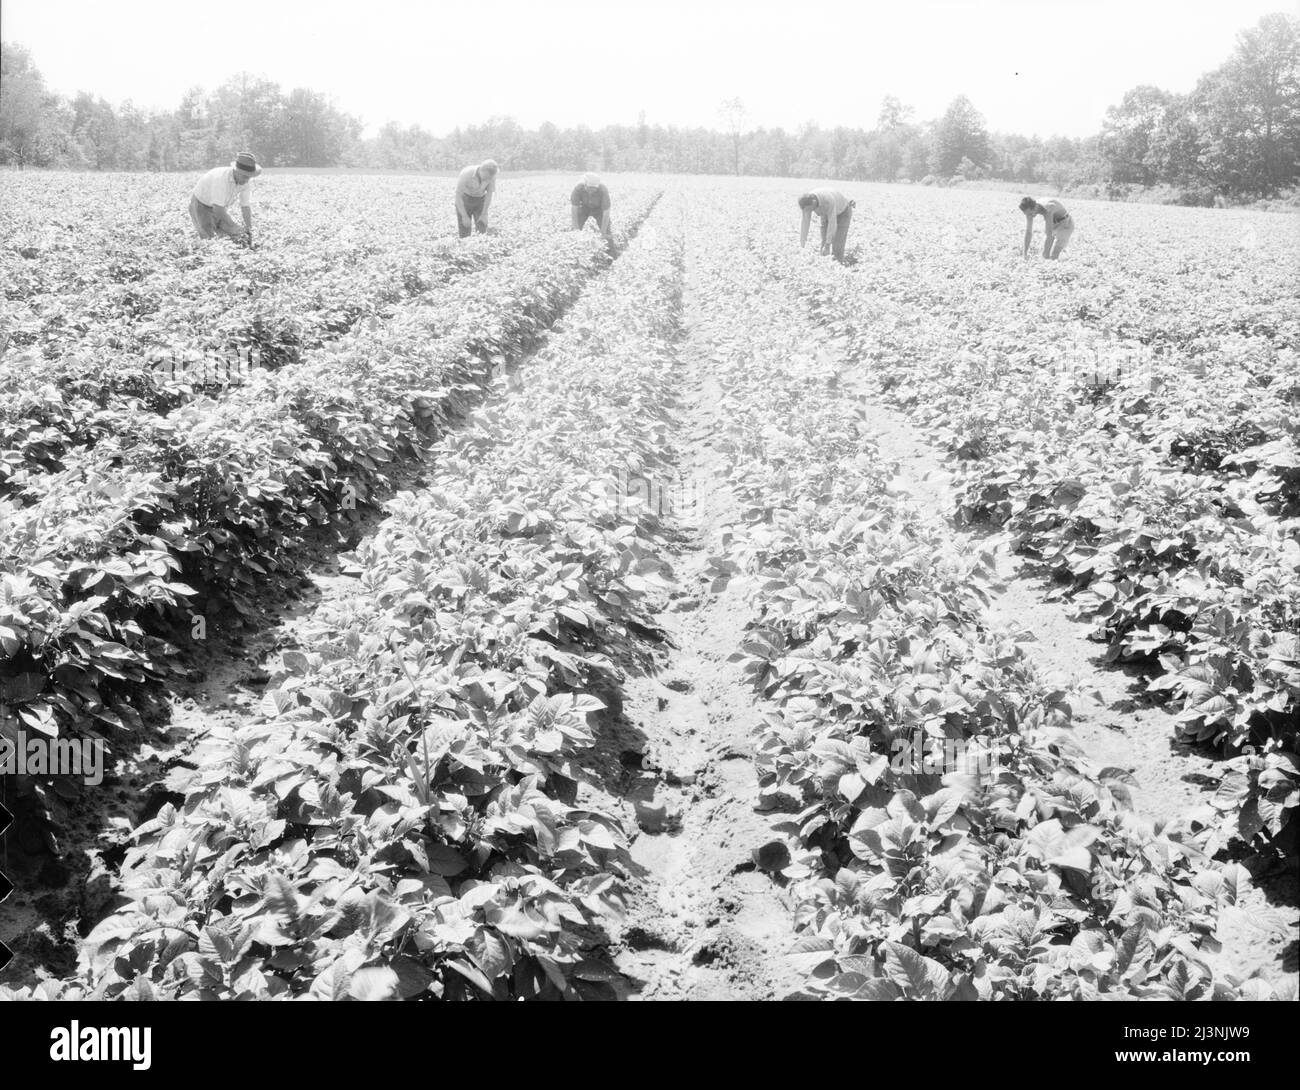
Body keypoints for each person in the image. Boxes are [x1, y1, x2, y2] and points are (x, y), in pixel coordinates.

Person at [189, 153, 260, 245]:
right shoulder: (221, 179)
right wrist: (235, 226)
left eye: (249, 177)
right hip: (201, 205)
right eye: (245, 176)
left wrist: (248, 228)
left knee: (231, 236)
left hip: (220, 206)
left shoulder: (245, 182)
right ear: (236, 171)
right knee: (209, 240)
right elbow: (218, 209)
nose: (247, 180)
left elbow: (245, 206)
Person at [798, 189, 855, 261]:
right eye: (806, 210)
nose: (809, 211)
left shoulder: (828, 200)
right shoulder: (806, 202)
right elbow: (805, 222)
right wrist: (802, 244)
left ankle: (838, 265)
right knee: (823, 245)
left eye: (809, 209)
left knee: (837, 246)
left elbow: (832, 223)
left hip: (843, 212)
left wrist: (828, 245)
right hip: (825, 213)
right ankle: (824, 265)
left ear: (814, 202)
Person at [455, 159, 498, 237]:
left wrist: (484, 214)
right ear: (481, 170)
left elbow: (489, 194)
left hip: (480, 200)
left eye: (489, 178)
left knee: (482, 228)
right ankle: (465, 244)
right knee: (465, 228)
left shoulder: (492, 175)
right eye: (486, 177)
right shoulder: (466, 173)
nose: (487, 180)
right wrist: (464, 216)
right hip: (465, 199)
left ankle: (480, 244)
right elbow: (458, 196)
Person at [571, 173, 612, 239]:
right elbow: (574, 208)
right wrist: (576, 227)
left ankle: (610, 248)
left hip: (599, 210)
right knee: (575, 230)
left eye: (594, 188)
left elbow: (606, 212)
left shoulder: (603, 190)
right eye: (589, 188)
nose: (591, 190)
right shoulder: (578, 188)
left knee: (607, 232)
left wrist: (603, 232)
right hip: (584, 208)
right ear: (585, 185)